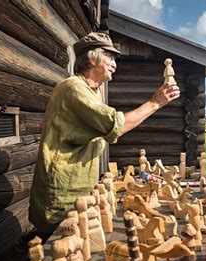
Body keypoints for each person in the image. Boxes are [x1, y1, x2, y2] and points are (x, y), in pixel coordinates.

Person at [29, 32, 180, 234]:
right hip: (63, 197)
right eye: (110, 56)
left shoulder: (90, 92)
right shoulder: (73, 88)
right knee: (60, 254)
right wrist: (155, 103)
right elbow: (115, 125)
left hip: (77, 193)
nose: (115, 64)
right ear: (92, 58)